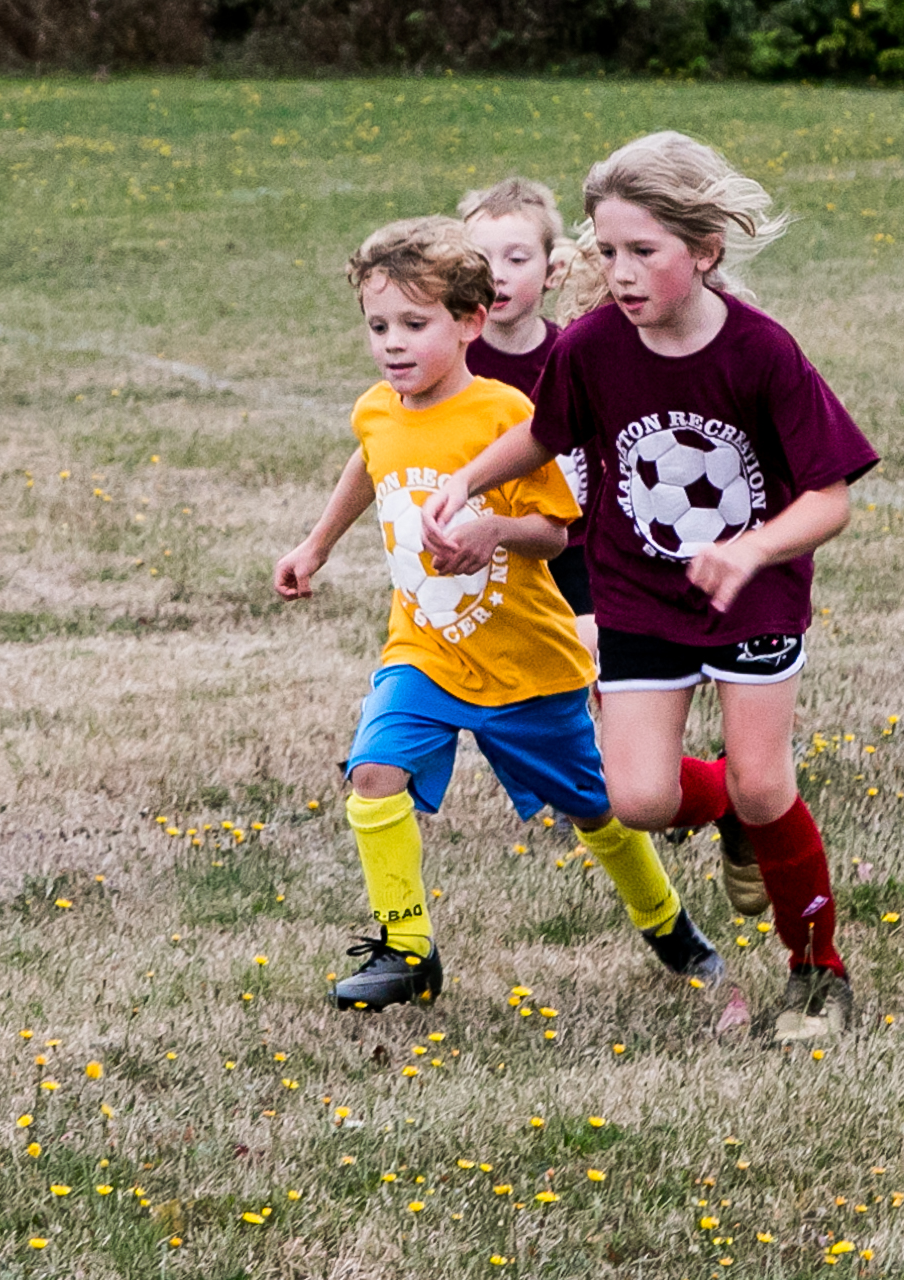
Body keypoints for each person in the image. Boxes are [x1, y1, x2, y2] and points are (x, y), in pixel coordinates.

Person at [424, 133, 879, 1041]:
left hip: (752, 597)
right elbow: (548, 432)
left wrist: (753, 549)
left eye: (644, 252)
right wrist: (466, 479)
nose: (620, 272)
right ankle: (740, 820)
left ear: (704, 252)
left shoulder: (761, 352)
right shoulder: (593, 347)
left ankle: (817, 974)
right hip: (637, 591)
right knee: (635, 798)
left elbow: (828, 498)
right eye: (606, 250)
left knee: (763, 782)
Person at [273, 216, 723, 1012]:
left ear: (472, 322)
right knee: (373, 774)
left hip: (528, 666)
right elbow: (366, 462)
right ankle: (408, 950)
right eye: (378, 326)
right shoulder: (378, 409)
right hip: (425, 652)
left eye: (415, 324)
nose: (392, 344)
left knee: (598, 810)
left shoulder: (506, 417)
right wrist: (315, 546)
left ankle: (668, 926)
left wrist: (491, 533)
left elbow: (555, 532)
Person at [458, 178, 596, 662]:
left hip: (576, 544)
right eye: (481, 260)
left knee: (590, 657)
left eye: (516, 259)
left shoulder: (576, 354)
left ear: (553, 271)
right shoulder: (452, 365)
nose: (496, 275)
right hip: (484, 548)